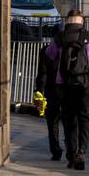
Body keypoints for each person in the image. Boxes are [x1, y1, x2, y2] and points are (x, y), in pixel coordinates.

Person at [45, 10, 89, 170]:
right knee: (85, 120)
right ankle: (81, 152)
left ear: (67, 21)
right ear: (82, 21)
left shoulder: (59, 38)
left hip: (64, 84)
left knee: (69, 120)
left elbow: (49, 55)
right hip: (87, 84)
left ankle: (71, 155)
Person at [34, 23, 65, 161]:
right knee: (69, 121)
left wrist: (39, 90)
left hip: (51, 90)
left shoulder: (46, 50)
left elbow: (42, 74)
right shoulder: (70, 50)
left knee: (52, 121)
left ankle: (55, 150)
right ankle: (71, 148)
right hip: (67, 90)